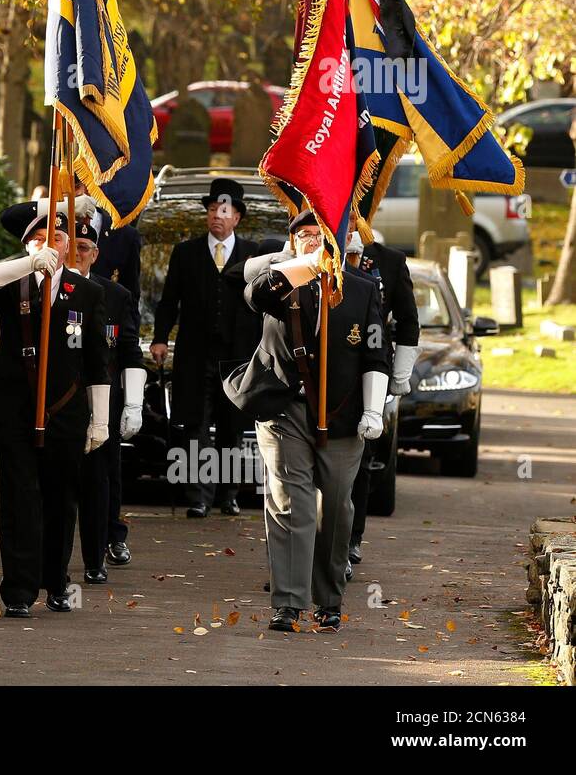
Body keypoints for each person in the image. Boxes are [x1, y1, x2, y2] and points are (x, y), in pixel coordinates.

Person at [229, 210, 389, 632]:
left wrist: (373, 409)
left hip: (341, 414)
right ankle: (288, 602)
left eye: (320, 235)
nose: (312, 241)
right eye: (303, 235)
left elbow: (375, 354)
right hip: (285, 409)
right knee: (290, 501)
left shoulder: (361, 288)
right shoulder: (280, 280)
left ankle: (328, 599)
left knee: (335, 507)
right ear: (292, 242)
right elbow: (253, 295)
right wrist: (300, 266)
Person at [0, 208, 110, 617]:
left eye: (58, 239)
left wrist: (99, 418)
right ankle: (18, 589)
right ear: (27, 245)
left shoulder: (87, 293)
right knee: (18, 499)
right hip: (14, 407)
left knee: (60, 499)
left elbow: (98, 362)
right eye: (39, 239)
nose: (50, 245)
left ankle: (57, 581)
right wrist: (28, 264)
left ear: (68, 248)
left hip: (65, 411)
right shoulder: (14, 284)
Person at [149, 177, 261, 517]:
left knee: (232, 428)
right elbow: (169, 301)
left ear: (237, 217)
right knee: (195, 425)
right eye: (213, 209)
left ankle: (228, 495)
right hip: (195, 355)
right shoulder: (185, 253)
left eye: (224, 210)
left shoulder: (252, 255)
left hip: (237, 356)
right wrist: (160, 337)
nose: (217, 216)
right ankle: (198, 495)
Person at [65, 219, 145, 581]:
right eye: (71, 245)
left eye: (84, 247)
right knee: (60, 488)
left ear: (95, 254)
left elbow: (130, 351)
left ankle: (96, 561)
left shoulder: (116, 295)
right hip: (59, 404)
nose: (76, 254)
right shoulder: (48, 288)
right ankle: (54, 564)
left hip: (102, 404)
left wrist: (134, 404)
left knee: (99, 484)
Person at [346, 230, 420, 573]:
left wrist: (399, 374)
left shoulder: (390, 261)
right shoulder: (312, 248)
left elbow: (407, 321)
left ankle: (350, 539)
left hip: (368, 370)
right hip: (318, 371)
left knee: (359, 459)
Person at [0, 182, 141, 302]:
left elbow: (131, 298)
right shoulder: (49, 220)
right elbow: (9, 217)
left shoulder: (125, 235)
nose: (80, 192)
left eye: (86, 185)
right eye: (73, 186)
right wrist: (64, 207)